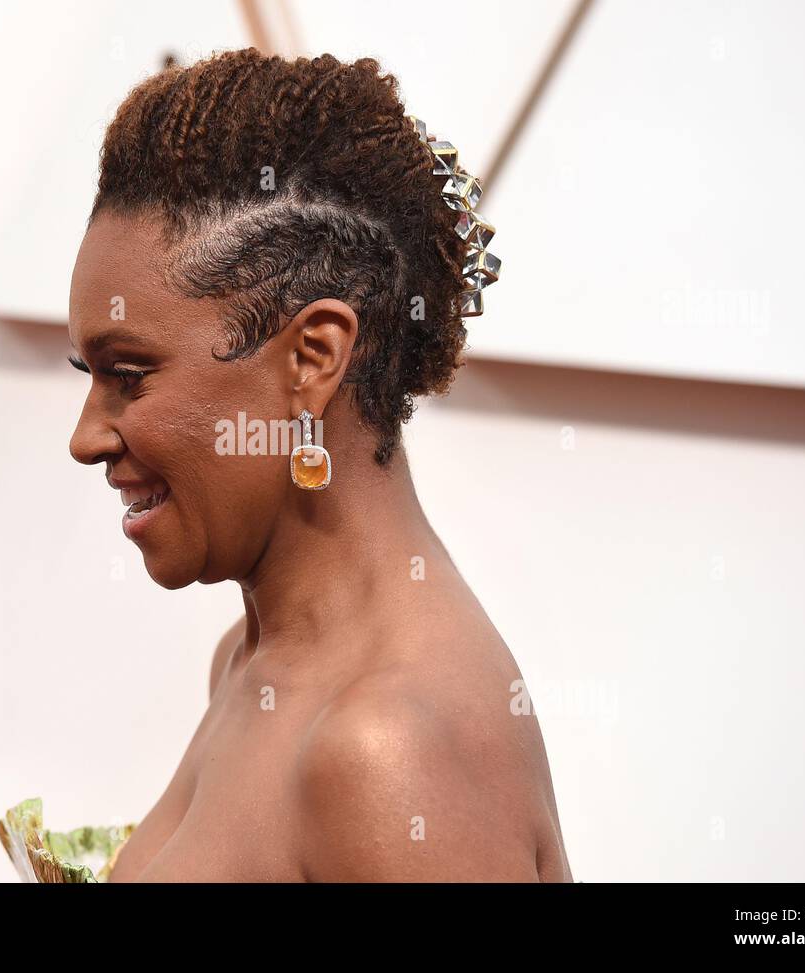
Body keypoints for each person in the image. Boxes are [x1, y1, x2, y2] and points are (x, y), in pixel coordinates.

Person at [65, 47, 572, 882]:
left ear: (312, 357)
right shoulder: (248, 657)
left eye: (128, 375)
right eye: (90, 378)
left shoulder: (386, 750)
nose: (86, 437)